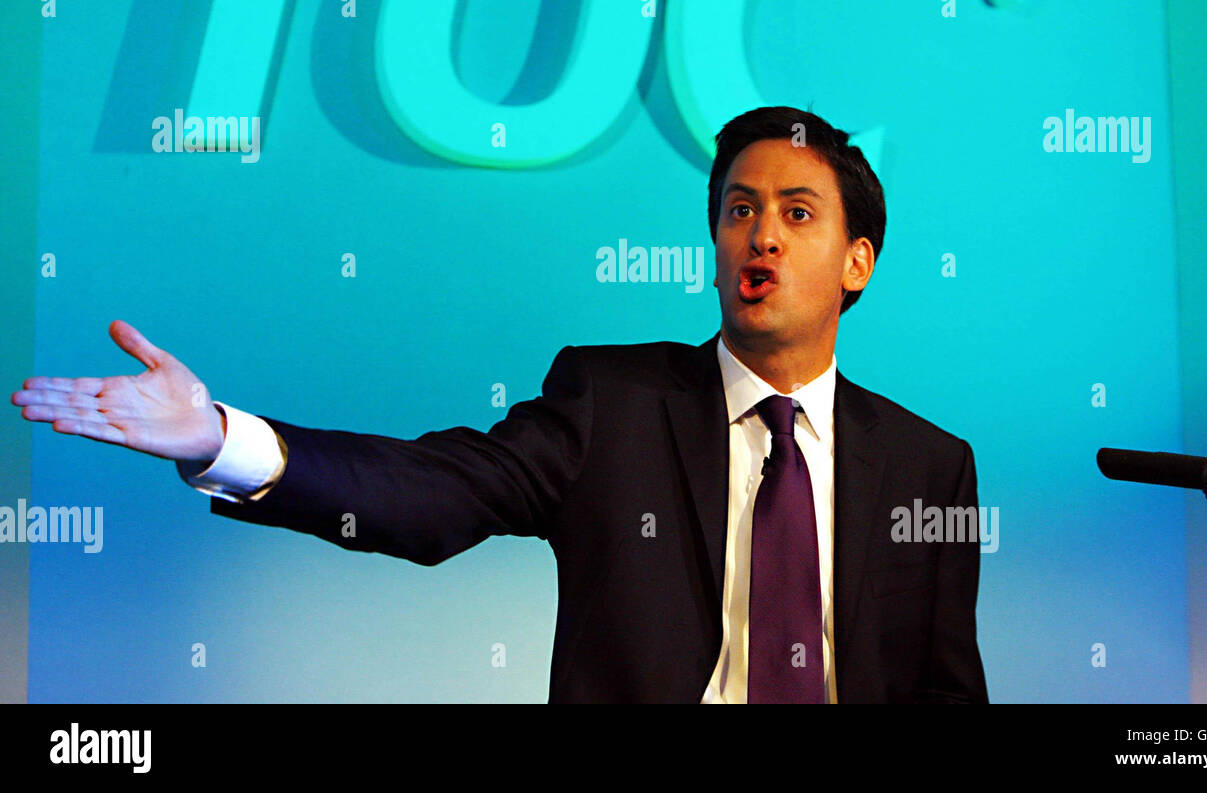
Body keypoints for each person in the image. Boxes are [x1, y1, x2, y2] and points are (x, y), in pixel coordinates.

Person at [12, 105, 988, 703]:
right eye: (738, 209)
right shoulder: (613, 401)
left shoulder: (927, 465)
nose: (758, 235)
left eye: (796, 213)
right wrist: (224, 437)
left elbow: (947, 689)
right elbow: (433, 492)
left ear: (858, 261)